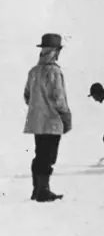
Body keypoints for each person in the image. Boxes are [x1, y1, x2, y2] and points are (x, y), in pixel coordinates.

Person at [23, 33, 71, 202]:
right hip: (52, 121)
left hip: (37, 121)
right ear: (55, 51)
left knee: (39, 154)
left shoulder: (33, 71)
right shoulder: (55, 71)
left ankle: (37, 190)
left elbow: (27, 96)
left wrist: (38, 107)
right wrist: (66, 116)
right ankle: (43, 191)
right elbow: (58, 98)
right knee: (48, 156)